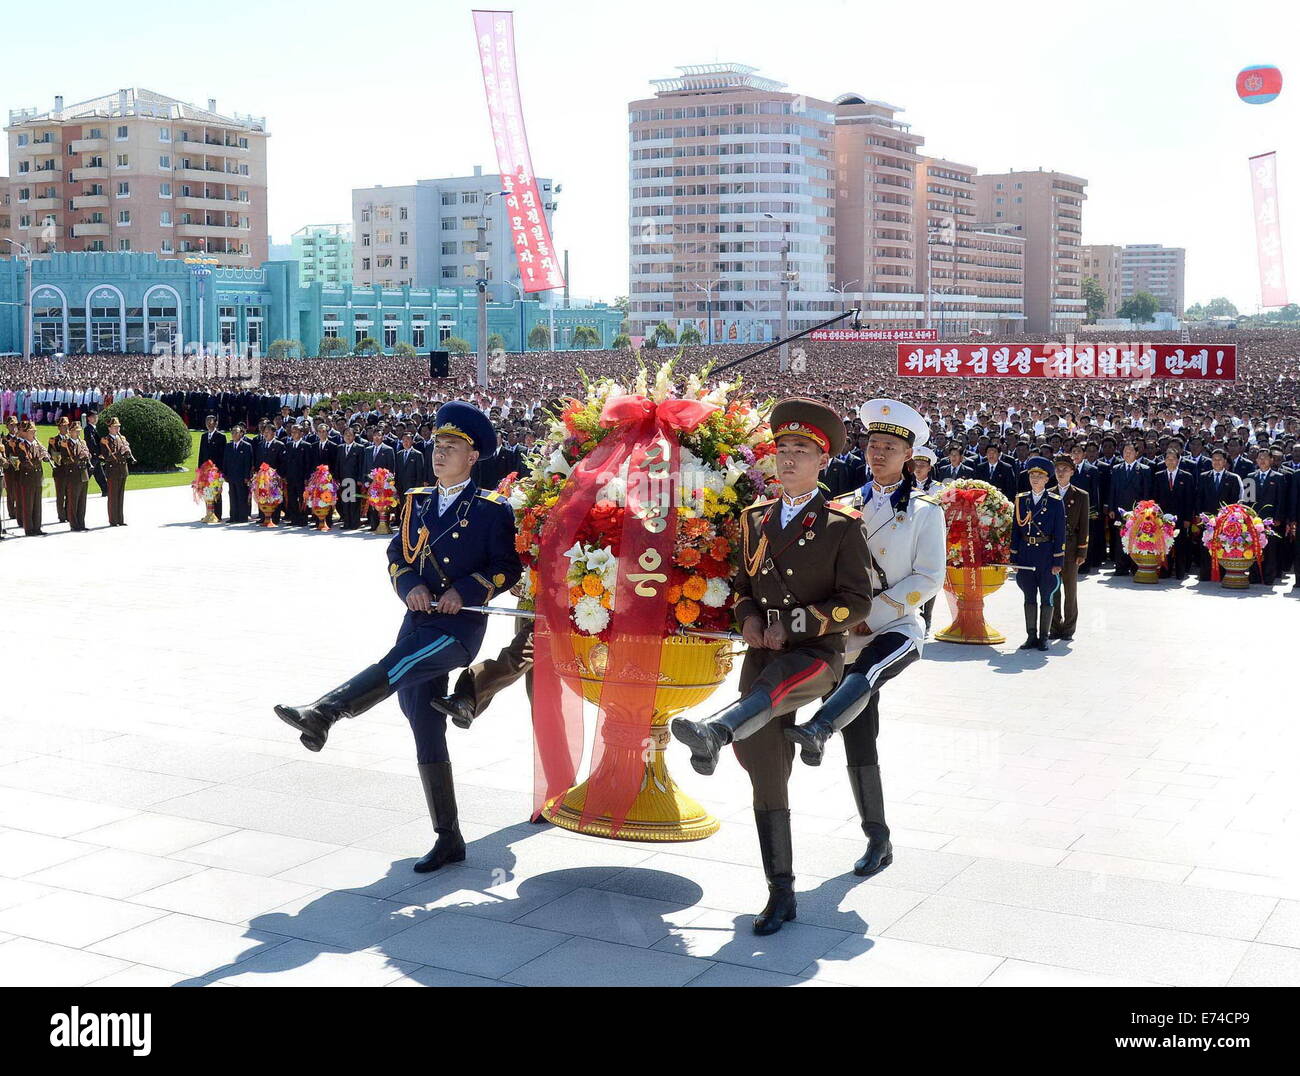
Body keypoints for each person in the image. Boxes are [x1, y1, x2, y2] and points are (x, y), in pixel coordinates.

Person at [274, 402, 521, 874]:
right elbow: (395, 555)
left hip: (458, 627)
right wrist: (411, 587)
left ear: (473, 457)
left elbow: (507, 567)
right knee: (423, 723)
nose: (440, 453)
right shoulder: (416, 500)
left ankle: (325, 712)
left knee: (400, 665)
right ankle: (448, 837)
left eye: (452, 448)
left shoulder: (492, 509)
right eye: (438, 445)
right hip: (419, 619)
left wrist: (464, 590)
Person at [669, 398, 873, 935]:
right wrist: (747, 618)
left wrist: (798, 625)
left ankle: (717, 728)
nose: (787, 460)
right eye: (781, 449)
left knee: (778, 683)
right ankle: (780, 891)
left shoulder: (841, 524)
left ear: (822, 460)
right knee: (765, 775)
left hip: (813, 654)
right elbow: (742, 586)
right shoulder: (754, 518)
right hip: (763, 652)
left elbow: (858, 602)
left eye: (800, 451)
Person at [785, 400, 944, 883]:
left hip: (895, 627)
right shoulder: (844, 504)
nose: (877, 453)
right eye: (873, 444)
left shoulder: (923, 512)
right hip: (845, 631)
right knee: (862, 733)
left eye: (889, 448)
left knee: (865, 674)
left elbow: (929, 576)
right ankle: (878, 837)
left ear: (910, 455)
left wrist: (870, 614)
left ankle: (817, 727)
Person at [1012, 456, 1065, 651]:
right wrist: (1014, 555)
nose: (1035, 479)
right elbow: (1015, 530)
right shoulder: (1021, 499)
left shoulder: (1054, 501)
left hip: (1046, 553)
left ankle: (1044, 637)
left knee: (1046, 596)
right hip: (1026, 553)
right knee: (1028, 596)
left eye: (1039, 476)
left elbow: (1060, 533)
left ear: (1046, 479)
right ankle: (1031, 635)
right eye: (1032, 475)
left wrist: (1058, 560)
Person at [1049, 455, 1089, 641]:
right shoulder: (1048, 493)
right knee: (1053, 588)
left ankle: (1069, 628)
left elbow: (1084, 525)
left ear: (1072, 472)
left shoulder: (1081, 495)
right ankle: (1054, 626)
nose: (1061, 472)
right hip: (1052, 547)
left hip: (1072, 546)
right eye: (1058, 469)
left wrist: (1082, 550)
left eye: (1065, 469)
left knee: (1070, 589)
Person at [1107, 442, 1150, 576]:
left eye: (1131, 451)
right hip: (1120, 510)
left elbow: (1146, 491)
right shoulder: (1116, 468)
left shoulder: (1144, 469)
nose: (1127, 453)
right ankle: (1121, 567)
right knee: (1120, 539)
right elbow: (1112, 489)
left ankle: (1135, 566)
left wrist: (1144, 510)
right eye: (1125, 451)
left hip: (1137, 512)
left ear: (1137, 453)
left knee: (1137, 538)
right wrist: (1111, 508)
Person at [1152, 445, 1195, 580]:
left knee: (1181, 545)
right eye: (1168, 459)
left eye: (1173, 459)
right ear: (1164, 461)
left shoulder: (1186, 477)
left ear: (1178, 460)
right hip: (1163, 518)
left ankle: (1180, 572)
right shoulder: (1158, 476)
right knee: (1165, 545)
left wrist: (1188, 518)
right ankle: (1165, 571)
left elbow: (1190, 499)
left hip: (1181, 517)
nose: (1170, 461)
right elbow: (1155, 498)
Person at [1248, 448, 1288, 585]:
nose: (1262, 460)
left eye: (1265, 458)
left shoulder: (1278, 477)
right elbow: (1247, 501)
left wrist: (1278, 518)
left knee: (1270, 549)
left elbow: (1281, 500)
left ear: (1271, 460)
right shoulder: (1250, 476)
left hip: (1271, 521)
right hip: (1253, 520)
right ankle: (1254, 576)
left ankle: (1269, 577)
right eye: (1260, 458)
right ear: (1256, 460)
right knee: (1253, 548)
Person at [100, 417, 135, 527]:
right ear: (109, 428)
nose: (117, 428)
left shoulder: (122, 438)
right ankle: (113, 520)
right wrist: (121, 452)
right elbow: (107, 457)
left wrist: (127, 451)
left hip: (122, 470)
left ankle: (120, 519)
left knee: (120, 495)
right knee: (113, 496)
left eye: (118, 426)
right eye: (115, 427)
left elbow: (124, 455)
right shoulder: (105, 440)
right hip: (113, 470)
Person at [222, 424, 255, 523]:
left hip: (242, 477)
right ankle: (233, 516)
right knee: (232, 496)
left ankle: (242, 517)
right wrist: (225, 474)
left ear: (241, 433)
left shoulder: (246, 446)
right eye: (232, 432)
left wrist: (247, 476)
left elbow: (248, 462)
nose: (233, 434)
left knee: (242, 497)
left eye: (236, 432)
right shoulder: (228, 446)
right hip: (231, 476)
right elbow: (225, 461)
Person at [197, 415, 227, 521]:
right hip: (205, 471)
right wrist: (199, 469)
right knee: (207, 491)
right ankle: (209, 513)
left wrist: (221, 470)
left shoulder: (221, 437)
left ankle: (217, 515)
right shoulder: (204, 436)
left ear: (216, 423)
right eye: (207, 421)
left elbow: (223, 455)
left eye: (211, 421)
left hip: (216, 471)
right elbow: (201, 454)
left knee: (216, 491)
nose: (209, 424)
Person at [64, 422, 92, 531]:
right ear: (70, 432)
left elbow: (88, 454)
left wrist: (87, 455)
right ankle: (74, 524)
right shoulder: (66, 443)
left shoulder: (82, 442)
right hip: (73, 474)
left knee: (82, 500)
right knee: (73, 500)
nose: (78, 433)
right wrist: (78, 457)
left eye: (79, 431)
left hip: (83, 473)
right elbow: (65, 460)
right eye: (76, 431)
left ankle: (81, 523)